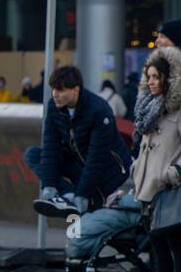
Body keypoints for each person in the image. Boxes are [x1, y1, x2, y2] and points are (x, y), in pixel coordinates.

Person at [112, 47, 181, 272]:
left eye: (156, 76)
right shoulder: (150, 108)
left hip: (170, 188)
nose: (150, 81)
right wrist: (137, 168)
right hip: (149, 188)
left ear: (168, 78)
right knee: (157, 248)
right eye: (148, 76)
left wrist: (174, 173)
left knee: (178, 248)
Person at [28, 64, 131, 218]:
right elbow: (51, 147)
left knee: (90, 228)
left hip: (108, 174)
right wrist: (49, 187)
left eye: (60, 90)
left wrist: (82, 195)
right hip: (80, 166)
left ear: (75, 89)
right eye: (53, 89)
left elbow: (96, 159)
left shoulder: (98, 110)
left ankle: (80, 202)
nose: (55, 94)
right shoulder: (54, 107)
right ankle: (67, 195)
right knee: (33, 154)